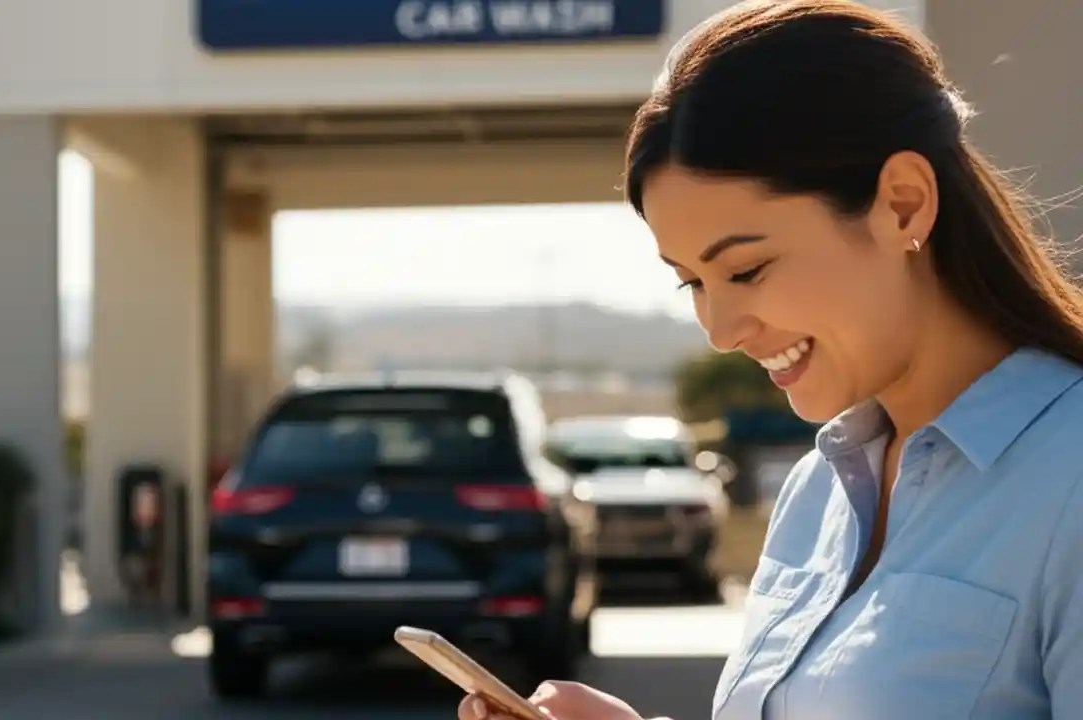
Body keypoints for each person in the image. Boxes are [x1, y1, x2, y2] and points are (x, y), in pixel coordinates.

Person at [458, 0, 1083, 718]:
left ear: (904, 205)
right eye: (693, 281)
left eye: (747, 270)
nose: (719, 330)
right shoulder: (819, 492)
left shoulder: (1069, 477)